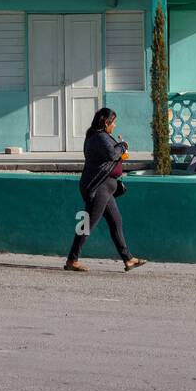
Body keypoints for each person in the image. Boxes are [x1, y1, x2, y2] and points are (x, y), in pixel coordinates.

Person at [64, 108, 146, 273]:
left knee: (116, 221)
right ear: (106, 122)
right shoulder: (99, 137)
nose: (114, 126)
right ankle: (72, 259)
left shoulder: (99, 136)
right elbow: (111, 154)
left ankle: (128, 259)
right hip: (99, 188)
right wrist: (122, 146)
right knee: (86, 224)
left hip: (106, 189)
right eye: (113, 122)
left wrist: (119, 148)